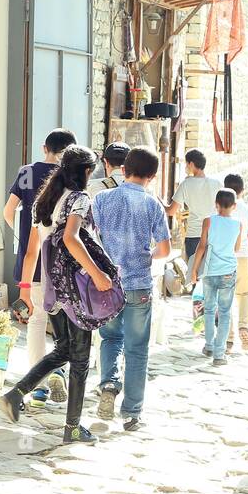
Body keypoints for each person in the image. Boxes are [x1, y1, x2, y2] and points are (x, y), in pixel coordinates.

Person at [0, 146, 108, 444]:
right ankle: (72, 426)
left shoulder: (43, 202)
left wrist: (26, 289)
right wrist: (98, 275)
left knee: (63, 350)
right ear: (85, 172)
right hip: (77, 292)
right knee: (81, 358)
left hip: (51, 290)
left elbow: (32, 251)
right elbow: (72, 239)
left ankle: (16, 393)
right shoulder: (79, 200)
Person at [91, 147, 172, 429]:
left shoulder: (101, 199)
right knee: (137, 349)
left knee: (110, 339)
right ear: (152, 176)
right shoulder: (153, 205)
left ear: (123, 170)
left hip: (107, 284)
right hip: (139, 285)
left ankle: (109, 385)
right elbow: (164, 249)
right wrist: (145, 255)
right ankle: (132, 413)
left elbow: (92, 239)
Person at [6, 128, 76, 405]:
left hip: (31, 259)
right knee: (65, 322)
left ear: (43, 147)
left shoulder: (27, 172)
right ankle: (58, 368)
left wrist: (21, 236)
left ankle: (38, 386)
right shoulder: (71, 177)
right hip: (63, 261)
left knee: (35, 322)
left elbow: (8, 210)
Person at [189, 188, 244, 366]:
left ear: (216, 204)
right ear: (234, 206)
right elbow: (235, 249)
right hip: (228, 271)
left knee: (210, 309)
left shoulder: (208, 221)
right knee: (226, 312)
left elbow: (202, 247)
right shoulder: (238, 225)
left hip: (210, 271)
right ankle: (220, 355)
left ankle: (209, 345)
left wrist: (195, 270)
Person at [166, 149, 222, 319]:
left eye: (186, 163)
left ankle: (199, 318)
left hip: (194, 237)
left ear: (191, 164)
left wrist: (157, 203)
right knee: (212, 277)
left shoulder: (186, 184)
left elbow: (170, 211)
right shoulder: (217, 183)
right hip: (214, 235)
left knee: (196, 277)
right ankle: (214, 314)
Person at [223, 174, 248, 351]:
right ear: (242, 190)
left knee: (226, 298)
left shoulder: (220, 209)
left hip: (224, 259)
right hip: (244, 257)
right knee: (245, 293)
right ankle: (244, 325)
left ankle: (229, 336)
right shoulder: (247, 210)